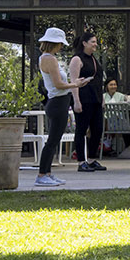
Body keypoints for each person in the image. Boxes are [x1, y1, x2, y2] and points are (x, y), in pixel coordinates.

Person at [35, 27, 90, 187]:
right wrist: (76, 84)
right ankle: (41, 174)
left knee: (55, 139)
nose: (61, 47)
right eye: (60, 44)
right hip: (57, 102)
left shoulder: (48, 57)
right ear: (54, 43)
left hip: (59, 102)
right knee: (52, 140)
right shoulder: (49, 59)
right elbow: (58, 84)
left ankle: (47, 173)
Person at [70, 27, 107, 172]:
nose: (95, 44)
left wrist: (102, 98)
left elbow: (98, 80)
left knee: (97, 130)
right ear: (84, 43)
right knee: (81, 130)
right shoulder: (77, 59)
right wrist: (76, 101)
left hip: (96, 99)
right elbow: (74, 81)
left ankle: (92, 159)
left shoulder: (94, 59)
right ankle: (80, 161)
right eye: (93, 42)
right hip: (83, 99)